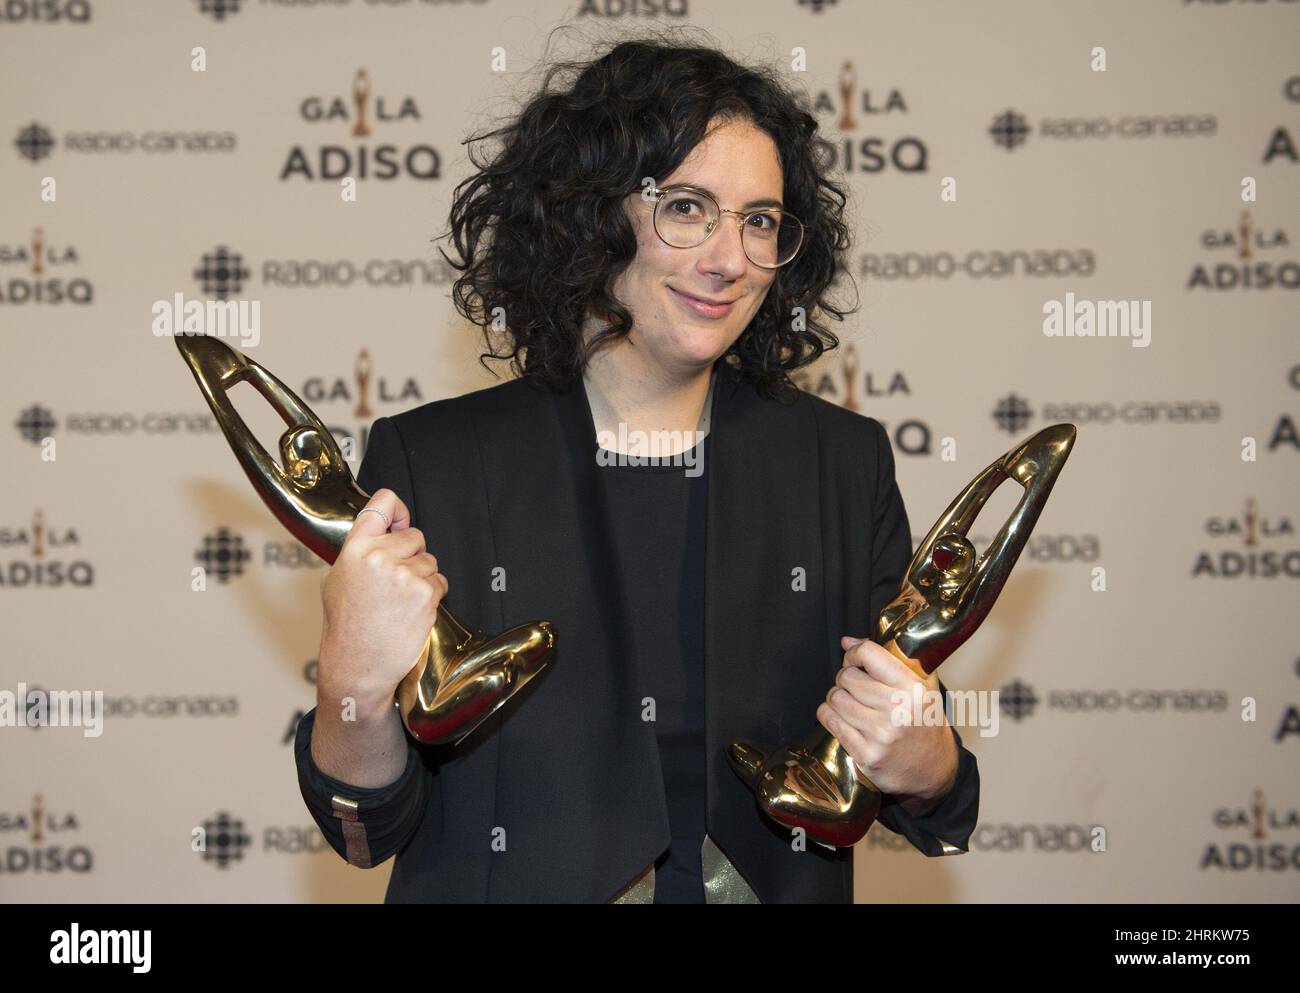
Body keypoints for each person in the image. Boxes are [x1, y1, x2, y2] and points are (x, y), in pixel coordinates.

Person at [295, 30, 979, 904]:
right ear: (593, 213)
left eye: (760, 221)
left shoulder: (839, 465)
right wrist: (350, 679)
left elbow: (936, 800)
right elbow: (366, 826)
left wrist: (928, 761)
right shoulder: (433, 461)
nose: (731, 259)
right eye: (688, 207)